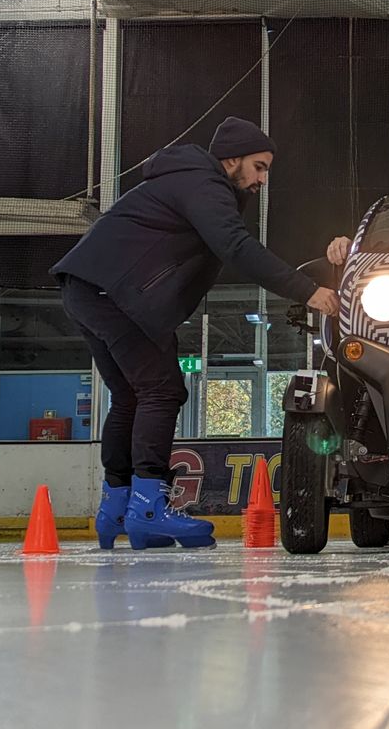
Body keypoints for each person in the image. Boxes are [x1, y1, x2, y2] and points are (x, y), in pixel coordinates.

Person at [54, 118, 338, 551]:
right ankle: (148, 508)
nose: (263, 179)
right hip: (118, 294)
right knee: (161, 391)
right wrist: (307, 291)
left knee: (131, 396)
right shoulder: (204, 184)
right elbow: (236, 247)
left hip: (91, 289)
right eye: (259, 167)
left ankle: (117, 506)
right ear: (232, 160)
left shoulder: (187, 182)